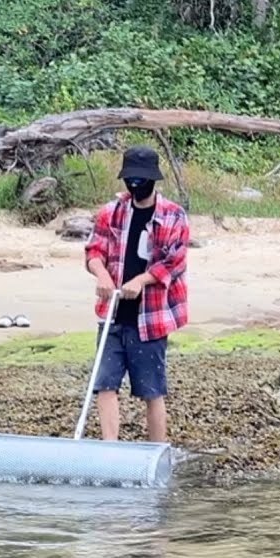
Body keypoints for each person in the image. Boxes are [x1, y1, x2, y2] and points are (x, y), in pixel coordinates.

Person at [84, 145, 190, 443]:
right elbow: (94, 250)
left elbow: (174, 262)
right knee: (105, 384)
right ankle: (110, 449)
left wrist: (141, 280)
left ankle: (158, 450)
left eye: (140, 181)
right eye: (130, 181)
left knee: (151, 391)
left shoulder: (173, 216)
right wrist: (102, 274)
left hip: (151, 318)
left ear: (153, 181)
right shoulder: (111, 212)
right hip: (113, 314)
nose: (134, 187)